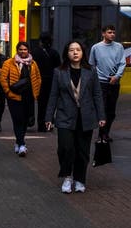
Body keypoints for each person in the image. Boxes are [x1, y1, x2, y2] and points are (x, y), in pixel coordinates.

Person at [45, 41, 106, 193]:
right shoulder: (59, 71)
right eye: (71, 50)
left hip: (86, 117)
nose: (75, 52)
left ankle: (80, 179)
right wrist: (48, 117)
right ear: (67, 53)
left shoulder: (91, 71)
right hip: (65, 116)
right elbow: (53, 95)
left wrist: (101, 115)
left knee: (83, 150)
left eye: (78, 49)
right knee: (65, 148)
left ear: (83, 53)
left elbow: (97, 94)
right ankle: (67, 177)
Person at [0, 41, 41, 156]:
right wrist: (8, 91)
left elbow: (38, 78)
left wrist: (35, 93)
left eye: (25, 49)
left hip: (28, 97)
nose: (23, 51)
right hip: (14, 97)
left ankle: (18, 142)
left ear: (28, 51)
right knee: (18, 120)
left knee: (25, 121)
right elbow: (3, 78)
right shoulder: (9, 63)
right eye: (20, 49)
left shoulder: (33, 64)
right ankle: (22, 144)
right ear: (17, 50)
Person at [89, 24, 126, 141]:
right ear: (103, 33)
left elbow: (122, 63)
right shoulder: (96, 47)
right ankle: (102, 134)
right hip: (101, 82)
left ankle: (105, 132)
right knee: (102, 109)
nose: (112, 35)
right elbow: (92, 64)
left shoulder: (119, 47)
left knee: (111, 111)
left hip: (114, 82)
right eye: (110, 32)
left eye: (114, 32)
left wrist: (117, 76)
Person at [32, 33, 61, 132]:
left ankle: (41, 125)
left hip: (39, 81)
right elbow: (58, 67)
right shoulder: (54, 53)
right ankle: (50, 122)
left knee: (41, 104)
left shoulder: (35, 52)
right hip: (52, 81)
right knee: (51, 103)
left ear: (40, 41)